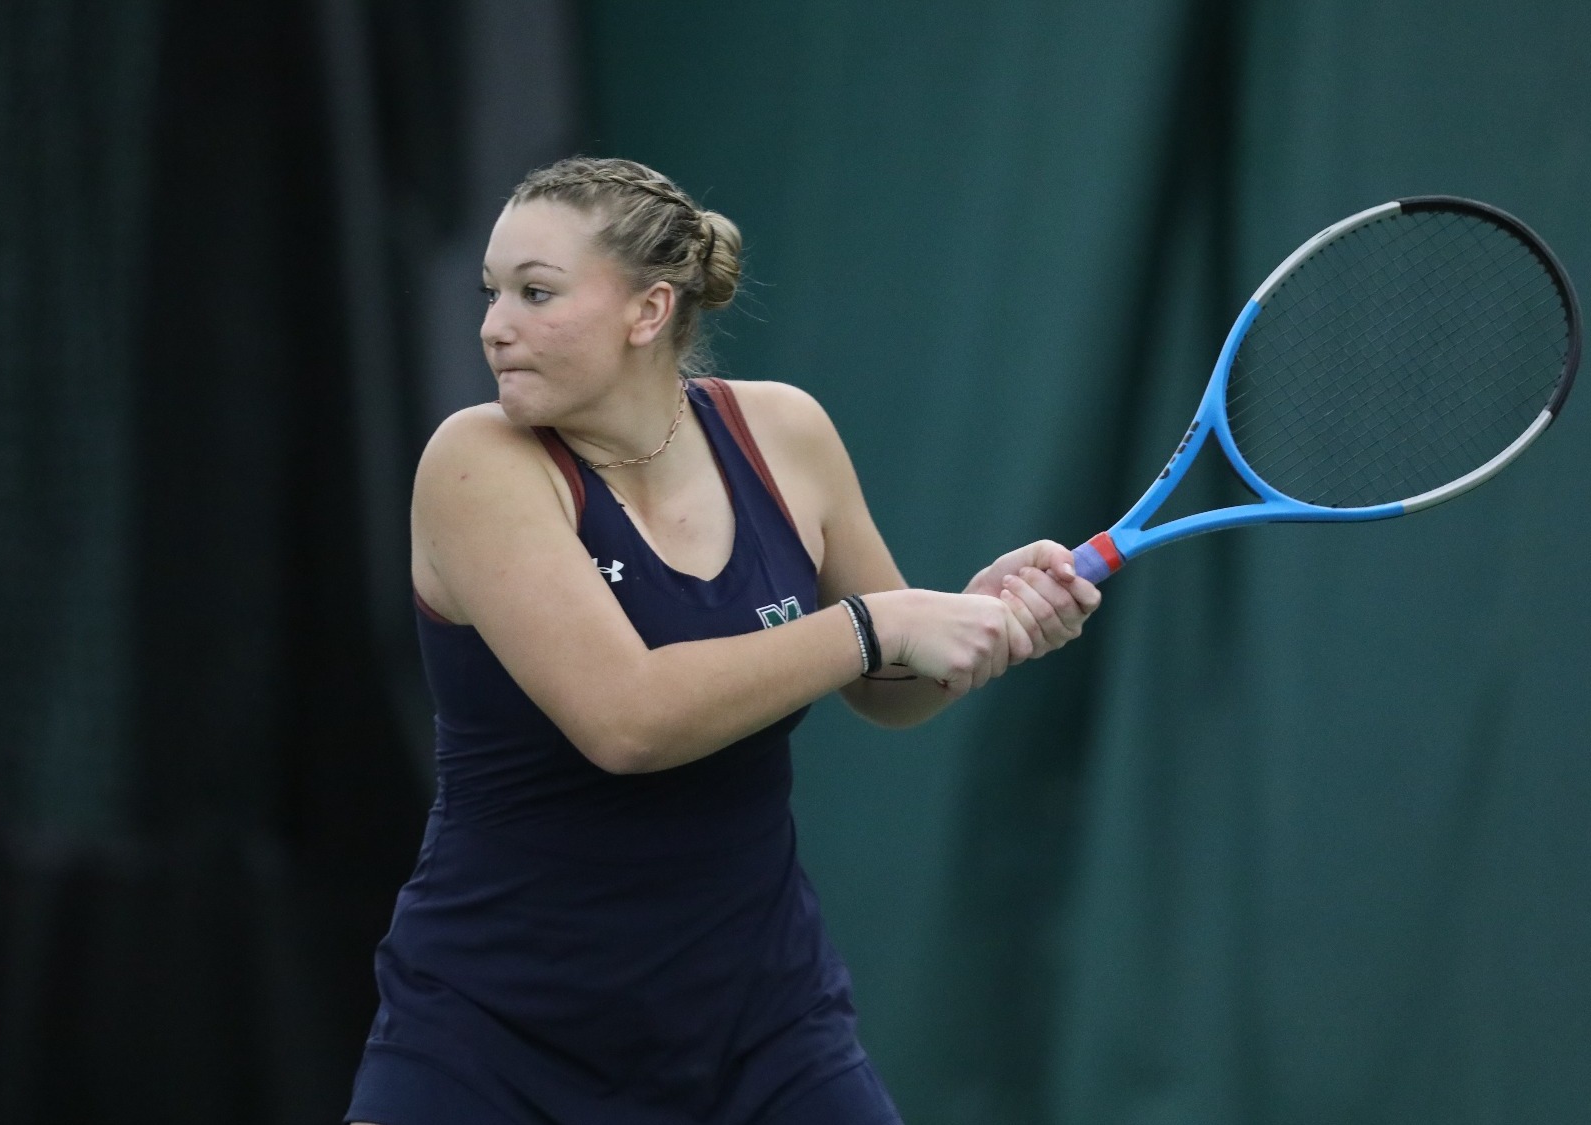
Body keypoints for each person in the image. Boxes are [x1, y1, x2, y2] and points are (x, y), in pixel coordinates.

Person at [345, 157, 1100, 1125]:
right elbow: (626, 722)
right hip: (494, 1038)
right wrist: (878, 624)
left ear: (649, 310)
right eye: (491, 292)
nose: (494, 325)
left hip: (764, 1027)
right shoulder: (474, 461)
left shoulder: (785, 432)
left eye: (535, 293)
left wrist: (981, 622)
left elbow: (889, 690)